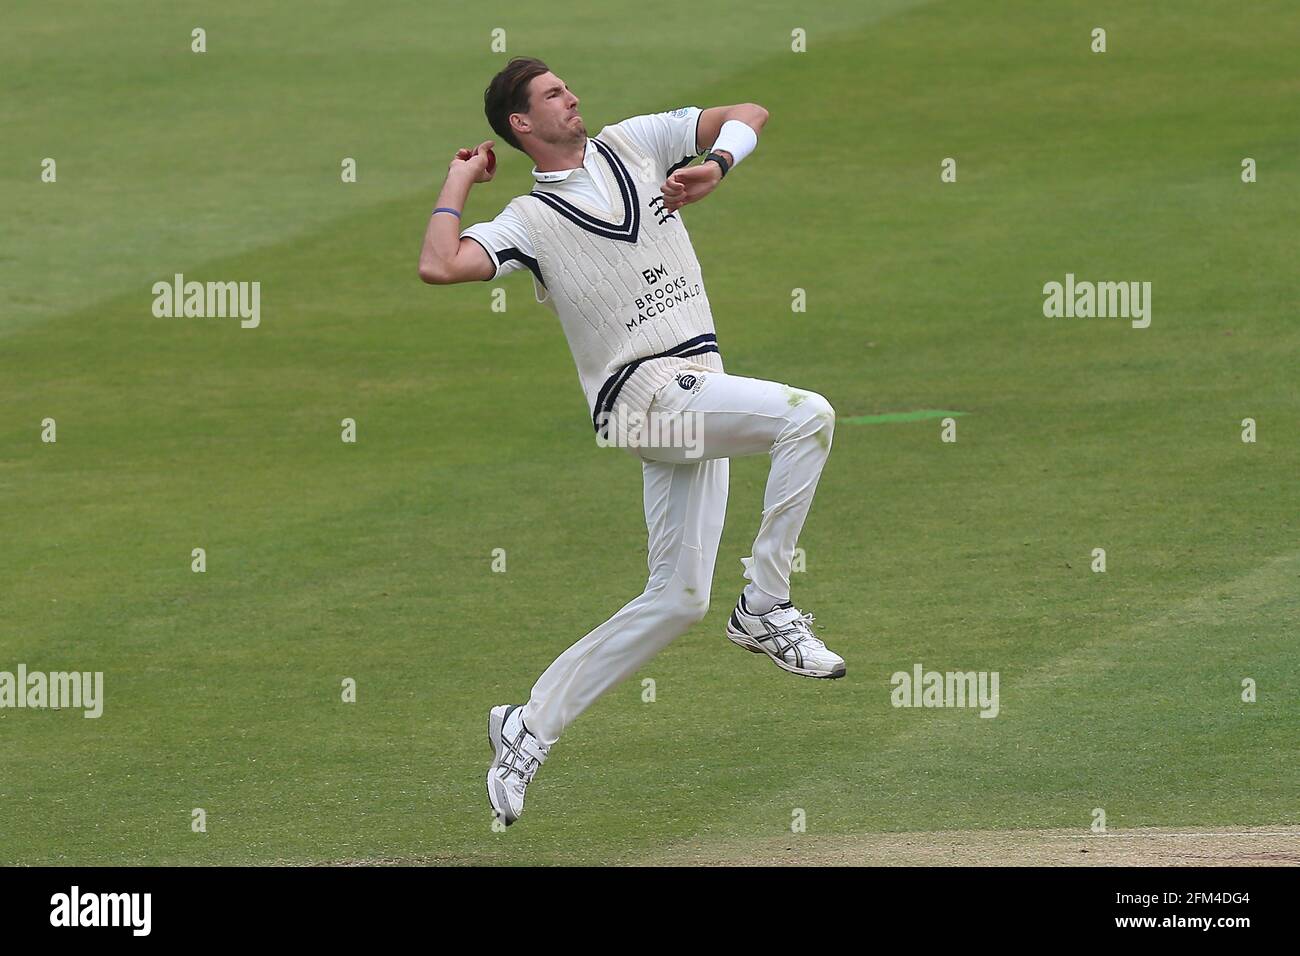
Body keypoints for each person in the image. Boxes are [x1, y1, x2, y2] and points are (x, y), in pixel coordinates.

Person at [418, 57, 843, 826]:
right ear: (521, 125)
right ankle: (768, 605)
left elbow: (749, 109)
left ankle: (527, 726)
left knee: (677, 599)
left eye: (565, 86)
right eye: (551, 94)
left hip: (694, 389)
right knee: (805, 415)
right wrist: (459, 182)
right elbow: (439, 264)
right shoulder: (527, 220)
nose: (571, 96)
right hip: (643, 400)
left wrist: (716, 163)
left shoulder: (636, 143)